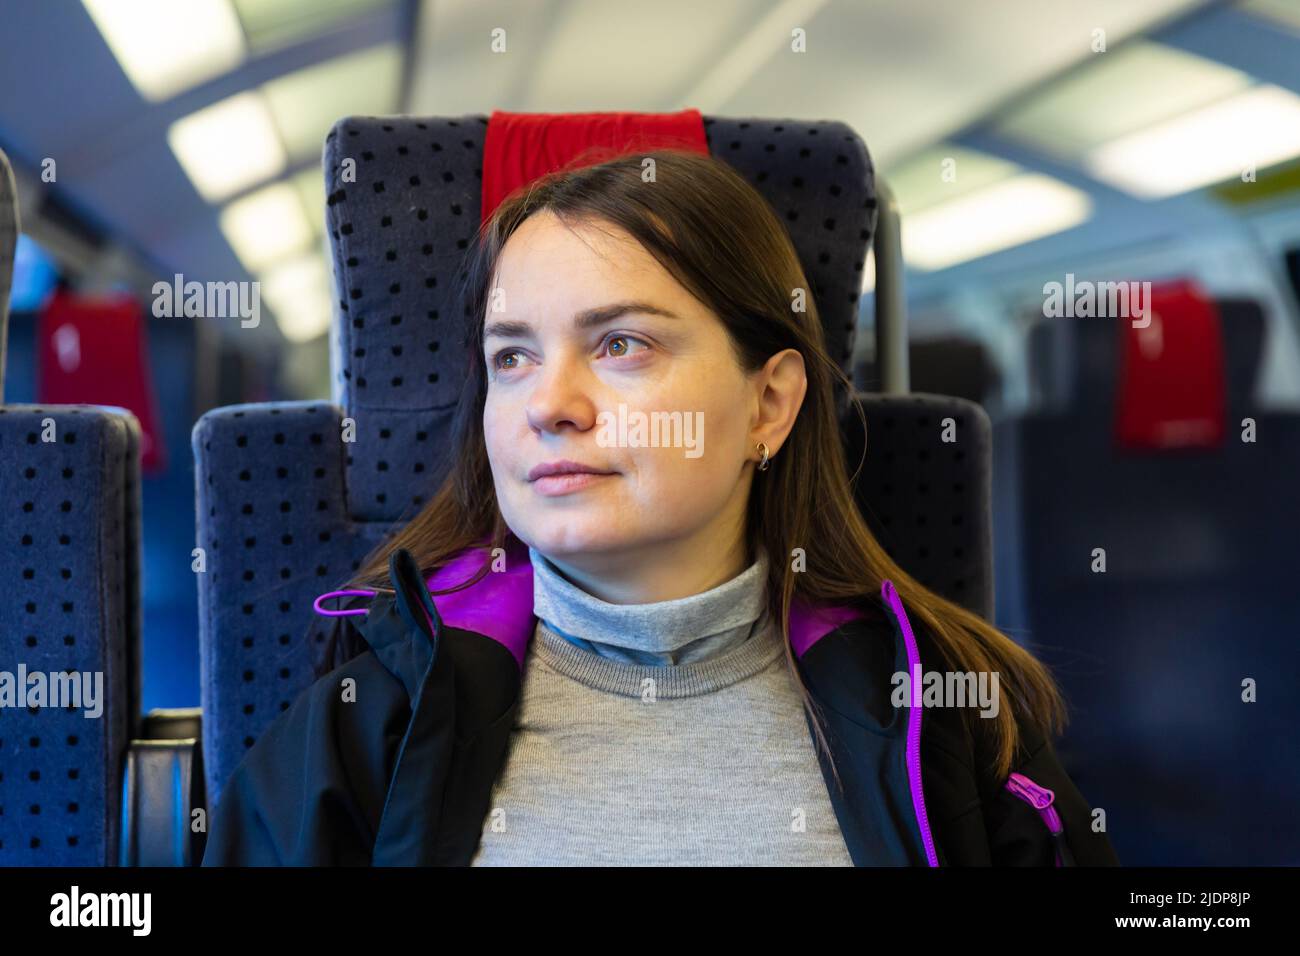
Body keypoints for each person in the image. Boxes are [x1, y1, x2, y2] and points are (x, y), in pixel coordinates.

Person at [202, 148, 1119, 866]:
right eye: (511, 356)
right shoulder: (375, 711)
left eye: (621, 344)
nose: (549, 403)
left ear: (770, 404)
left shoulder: (943, 709)